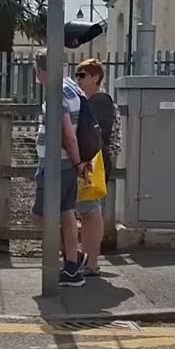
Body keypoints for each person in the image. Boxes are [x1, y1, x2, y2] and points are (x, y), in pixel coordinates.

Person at [32, 49, 91, 287]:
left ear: (41, 70)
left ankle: (68, 258)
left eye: (36, 70)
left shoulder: (56, 94)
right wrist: (78, 163)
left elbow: (67, 133)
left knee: (40, 217)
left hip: (57, 164)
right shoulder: (72, 88)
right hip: (67, 164)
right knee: (67, 211)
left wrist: (77, 163)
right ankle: (72, 263)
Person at [74, 59, 120, 276]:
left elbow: (95, 136)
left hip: (92, 165)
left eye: (82, 75)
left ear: (95, 77)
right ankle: (89, 260)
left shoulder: (99, 101)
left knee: (91, 213)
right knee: (88, 213)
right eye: (77, 75)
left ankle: (92, 262)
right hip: (95, 164)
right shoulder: (95, 100)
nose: (79, 80)